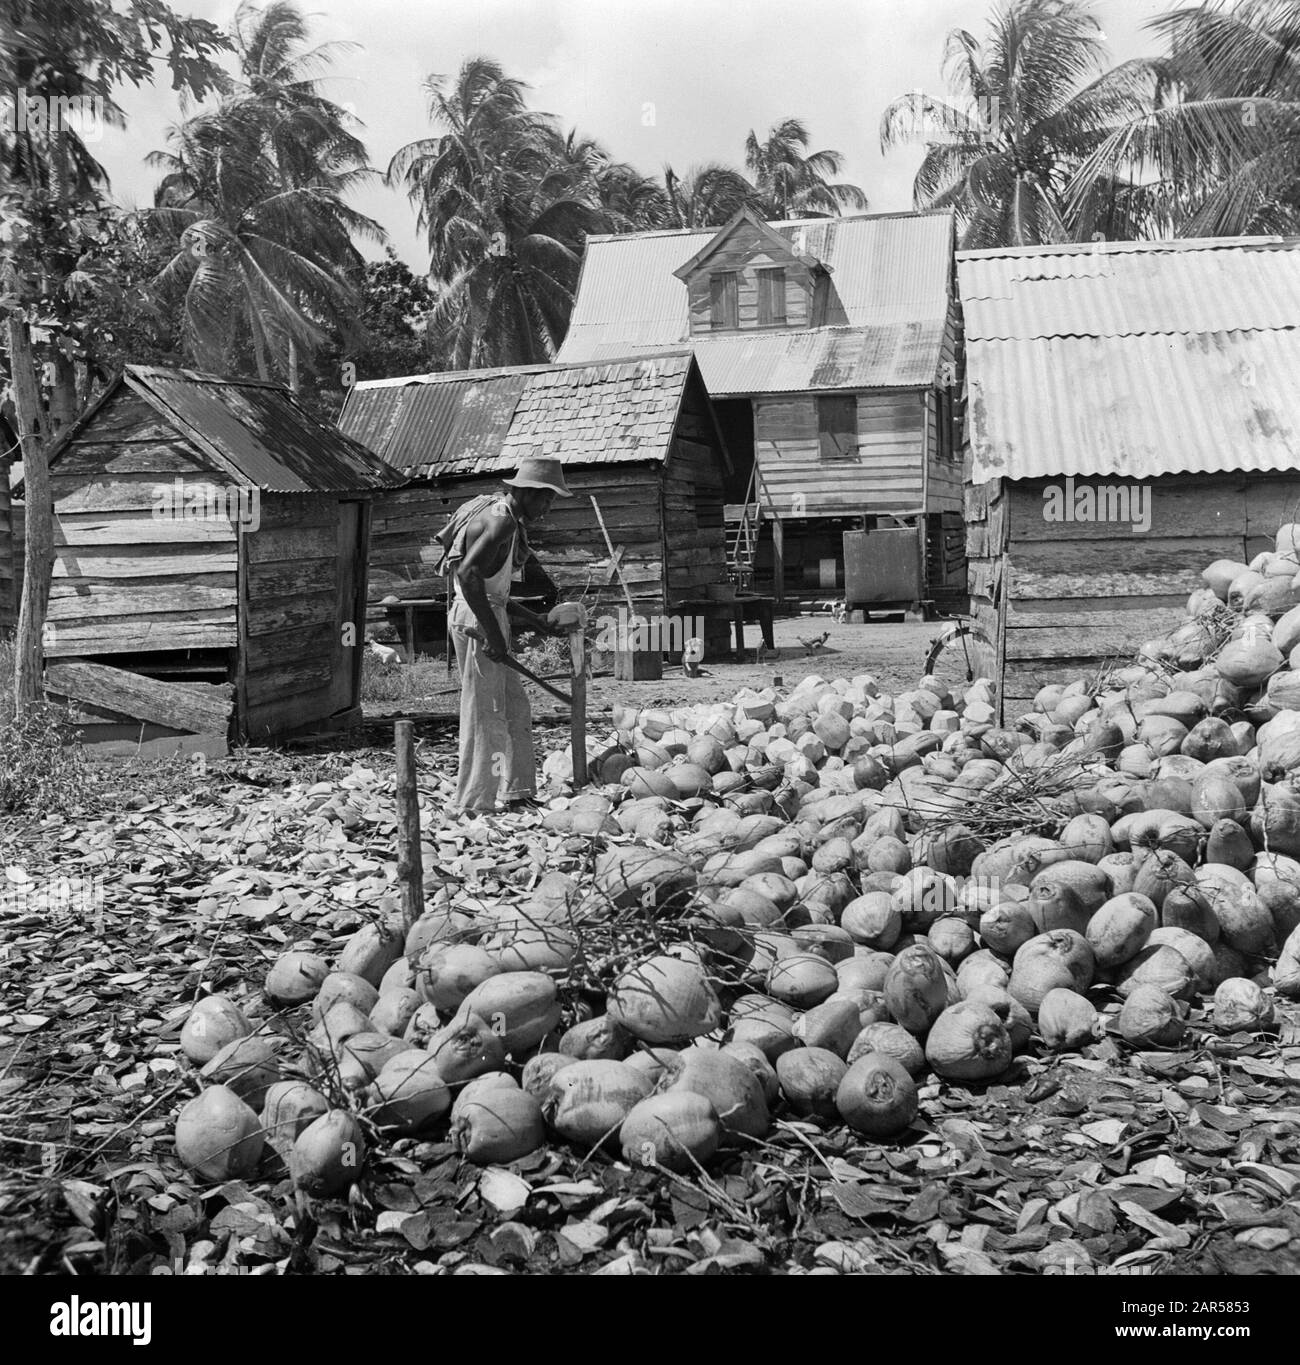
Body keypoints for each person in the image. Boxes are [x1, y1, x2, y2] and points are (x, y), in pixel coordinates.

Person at [445, 456, 572, 814]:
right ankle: (475, 802)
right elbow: (468, 577)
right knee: (485, 711)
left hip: (488, 610)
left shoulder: (510, 521)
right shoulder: (500, 521)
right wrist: (492, 634)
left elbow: (494, 592)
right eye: (546, 498)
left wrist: (536, 620)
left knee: (514, 704)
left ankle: (516, 790)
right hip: (475, 617)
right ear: (528, 492)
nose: (548, 507)